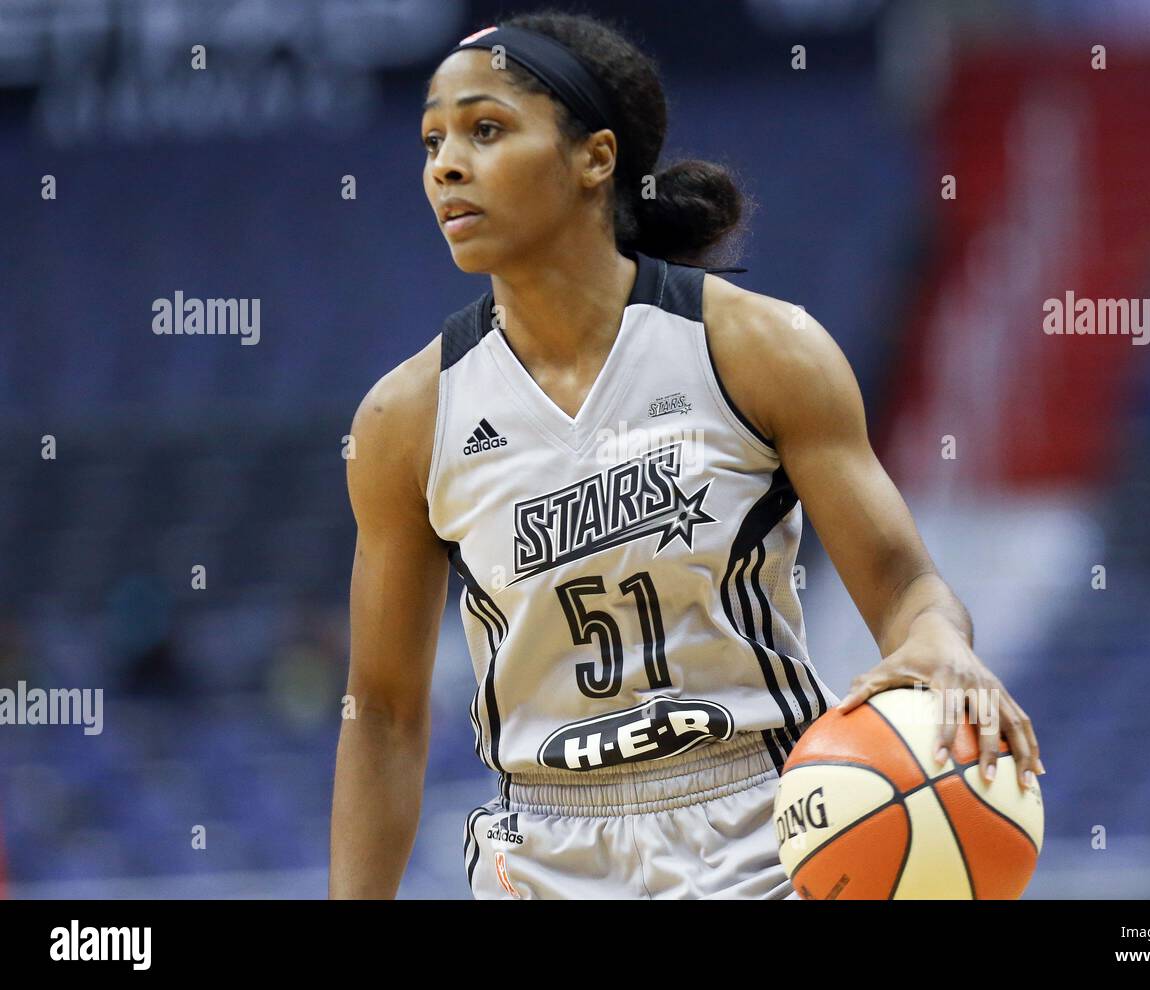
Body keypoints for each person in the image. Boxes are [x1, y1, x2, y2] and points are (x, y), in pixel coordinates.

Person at [328, 9, 1043, 900]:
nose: (445, 164)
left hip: (759, 822)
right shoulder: (406, 417)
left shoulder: (757, 347)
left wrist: (940, 641)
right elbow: (385, 716)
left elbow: (904, 585)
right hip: (546, 847)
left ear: (596, 157)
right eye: (432, 137)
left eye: (486, 129)